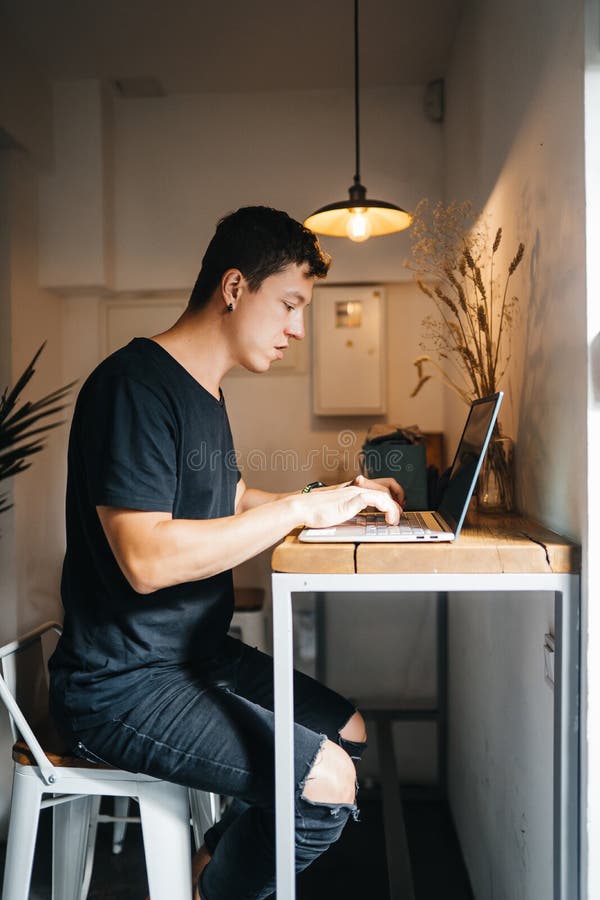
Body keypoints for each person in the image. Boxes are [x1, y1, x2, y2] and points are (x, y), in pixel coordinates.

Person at [49, 206, 404, 900]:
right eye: (291, 305)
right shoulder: (133, 388)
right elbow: (145, 559)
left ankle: (217, 859)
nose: (299, 329)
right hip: (123, 683)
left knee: (349, 730)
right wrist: (300, 509)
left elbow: (233, 494)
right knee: (326, 784)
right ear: (235, 286)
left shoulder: (204, 392)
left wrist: (329, 498)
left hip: (196, 657)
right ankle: (221, 886)